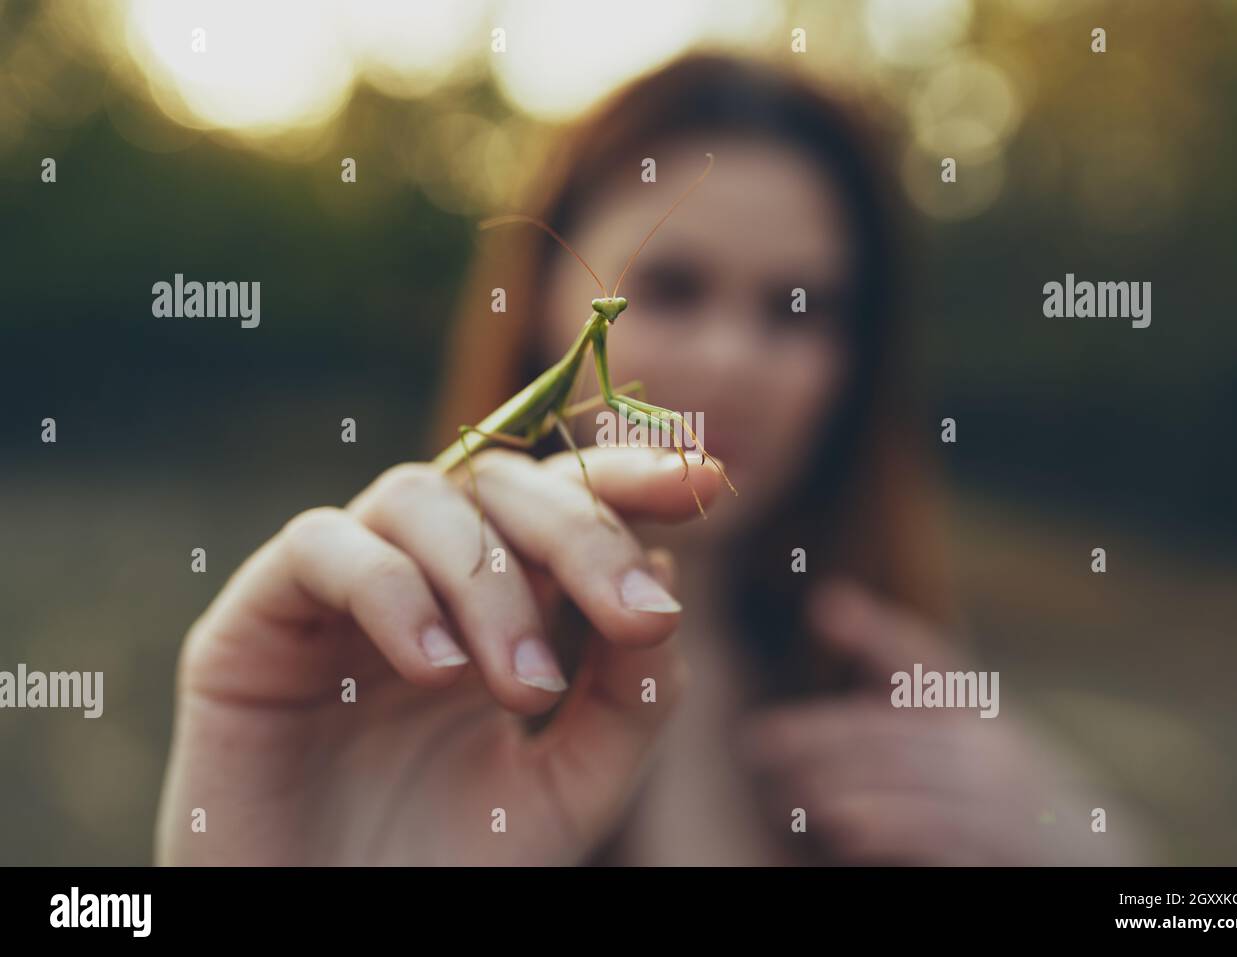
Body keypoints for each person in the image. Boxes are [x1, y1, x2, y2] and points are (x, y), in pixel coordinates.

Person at [156, 53, 1143, 865]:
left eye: (801, 308)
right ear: (538, 303)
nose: (730, 363)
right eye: (670, 289)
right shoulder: (400, 700)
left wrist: (1109, 872)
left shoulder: (912, 728)